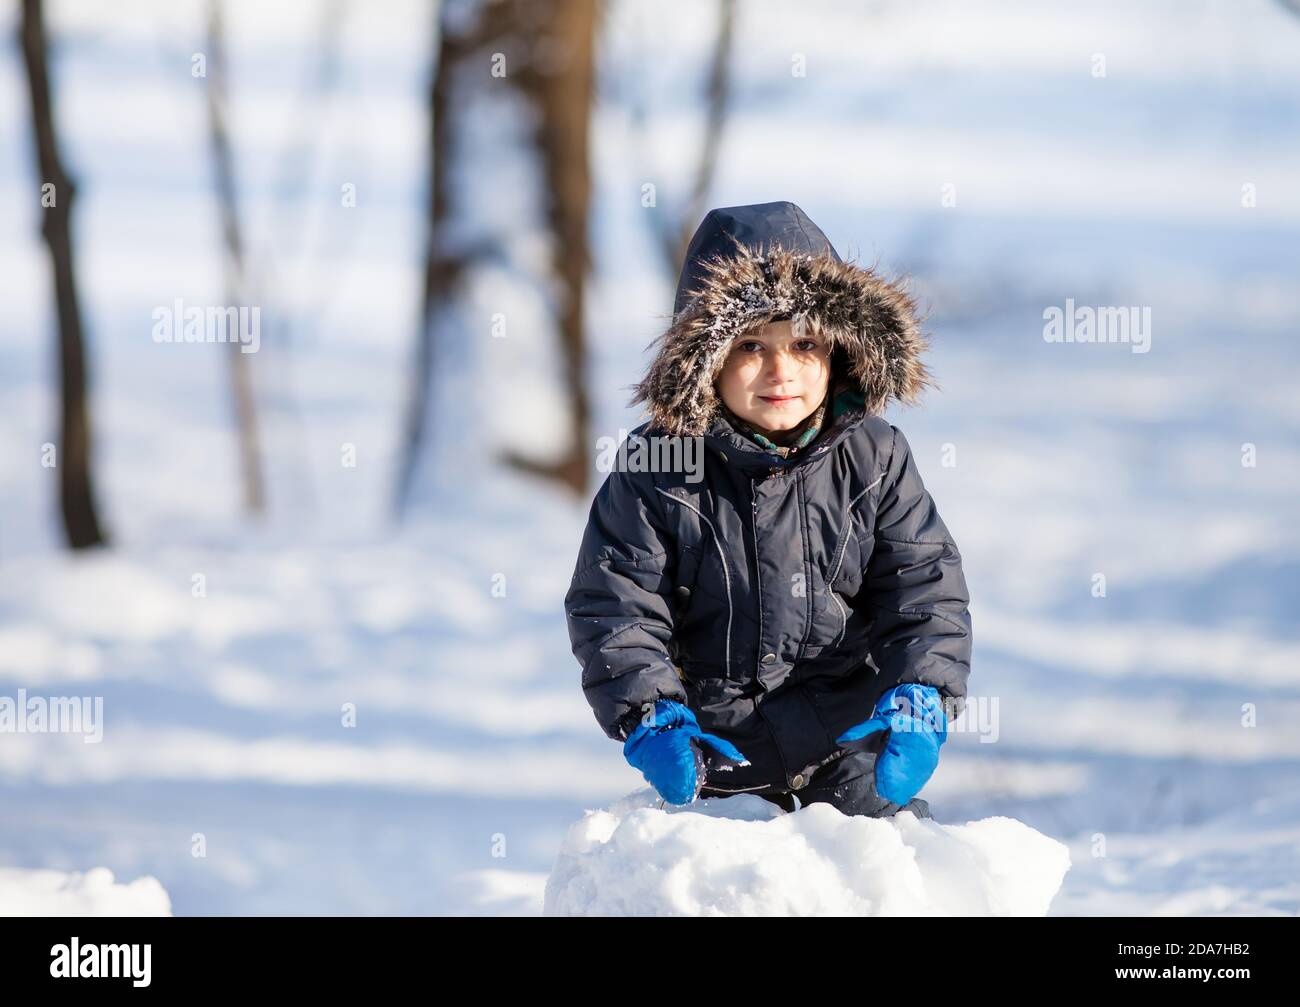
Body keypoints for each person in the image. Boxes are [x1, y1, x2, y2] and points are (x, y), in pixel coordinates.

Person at [564, 201, 972, 819]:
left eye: (805, 342)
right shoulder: (660, 465)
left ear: (840, 350)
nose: (782, 371)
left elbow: (922, 588)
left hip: (850, 743)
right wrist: (650, 713)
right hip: (715, 749)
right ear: (706, 361)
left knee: (885, 879)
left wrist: (921, 693)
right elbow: (616, 603)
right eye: (752, 344)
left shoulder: (874, 456)